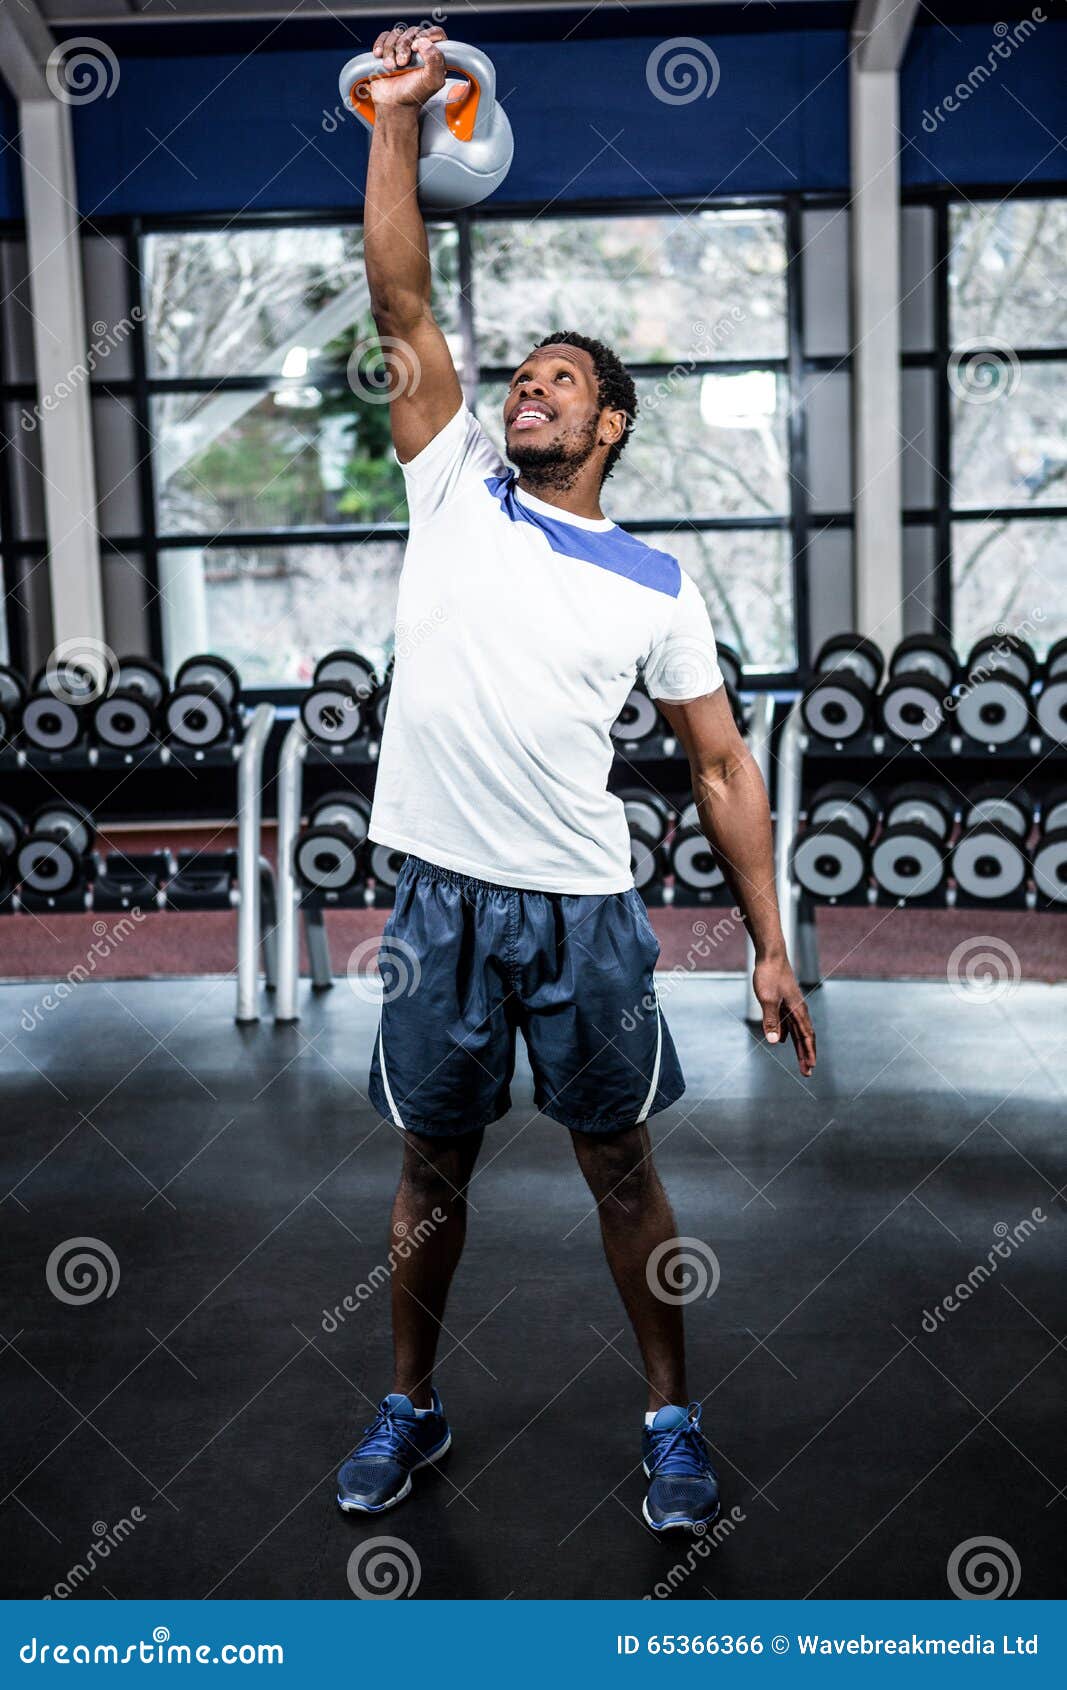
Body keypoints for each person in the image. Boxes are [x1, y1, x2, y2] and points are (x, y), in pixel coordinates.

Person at [337, 23, 816, 1534]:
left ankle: (672, 1419)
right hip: (441, 898)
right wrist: (397, 118)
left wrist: (772, 943)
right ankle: (410, 1403)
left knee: (622, 1167)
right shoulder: (453, 487)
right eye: (522, 378)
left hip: (585, 911)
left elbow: (722, 764)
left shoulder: (658, 580)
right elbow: (401, 295)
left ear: (609, 424)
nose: (527, 392)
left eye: (559, 382)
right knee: (432, 1166)